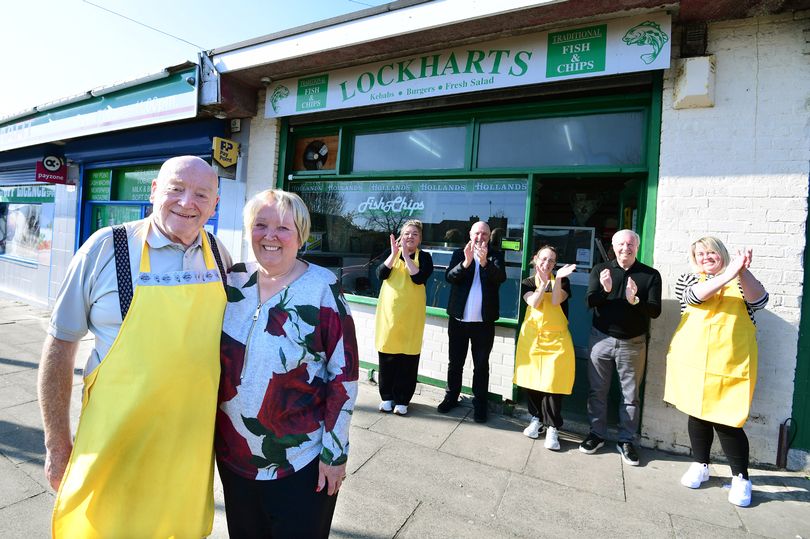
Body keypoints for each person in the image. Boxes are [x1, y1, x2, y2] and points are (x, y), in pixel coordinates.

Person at [37, 156, 231, 537]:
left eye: (201, 194)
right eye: (176, 189)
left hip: (187, 456)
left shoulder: (220, 257)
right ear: (155, 191)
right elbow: (60, 345)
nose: (187, 202)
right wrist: (57, 443)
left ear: (215, 204)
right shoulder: (105, 249)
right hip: (115, 447)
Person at [216, 188, 358, 538]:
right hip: (234, 457)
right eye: (261, 225)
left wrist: (334, 453)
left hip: (301, 458)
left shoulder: (323, 288)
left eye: (283, 228)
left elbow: (344, 374)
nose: (271, 236)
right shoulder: (233, 281)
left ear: (301, 235)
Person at [664, 237, 768, 507]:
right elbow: (695, 298)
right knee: (696, 413)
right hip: (695, 361)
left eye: (711, 252)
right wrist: (730, 272)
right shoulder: (688, 279)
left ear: (722, 253)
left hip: (732, 364)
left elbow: (760, 301)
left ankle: (741, 478)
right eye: (700, 253)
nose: (706, 257)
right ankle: (700, 464)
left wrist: (741, 270)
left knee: (728, 421)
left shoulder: (740, 280)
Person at [580, 229, 662, 465]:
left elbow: (655, 311)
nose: (625, 248)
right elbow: (589, 302)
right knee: (597, 390)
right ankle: (597, 434)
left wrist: (635, 300)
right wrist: (605, 290)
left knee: (630, 395)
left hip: (633, 343)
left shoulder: (650, 275)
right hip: (601, 339)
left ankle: (626, 439)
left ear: (637, 247)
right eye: (620, 244)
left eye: (630, 244)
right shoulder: (601, 270)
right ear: (612, 247)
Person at [438, 221, 506, 423]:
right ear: (470, 234)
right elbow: (450, 277)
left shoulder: (496, 256)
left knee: (481, 365)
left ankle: (480, 404)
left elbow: (500, 278)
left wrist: (484, 262)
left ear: (489, 236)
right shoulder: (460, 254)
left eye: (484, 234)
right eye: (477, 233)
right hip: (458, 321)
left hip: (483, 324)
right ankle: (451, 397)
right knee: (455, 363)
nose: (480, 237)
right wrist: (466, 263)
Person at [514, 246, 577, 450]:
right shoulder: (527, 282)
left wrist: (556, 279)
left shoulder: (563, 281)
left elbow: (557, 299)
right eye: (543, 259)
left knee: (552, 384)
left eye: (551, 261)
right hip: (532, 339)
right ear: (535, 259)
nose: (547, 264)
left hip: (556, 340)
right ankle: (537, 419)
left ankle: (552, 428)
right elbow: (534, 302)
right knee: (531, 381)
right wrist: (541, 283)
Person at [375, 219, 434, 416]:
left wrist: (406, 256)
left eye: (414, 234)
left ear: (420, 239)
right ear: (401, 235)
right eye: (407, 233)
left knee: (407, 359)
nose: (410, 237)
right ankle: (387, 398)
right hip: (389, 314)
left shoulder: (425, 257)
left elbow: (418, 277)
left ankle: (402, 400)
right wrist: (394, 254)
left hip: (411, 316)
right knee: (387, 356)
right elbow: (381, 274)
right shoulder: (389, 254)